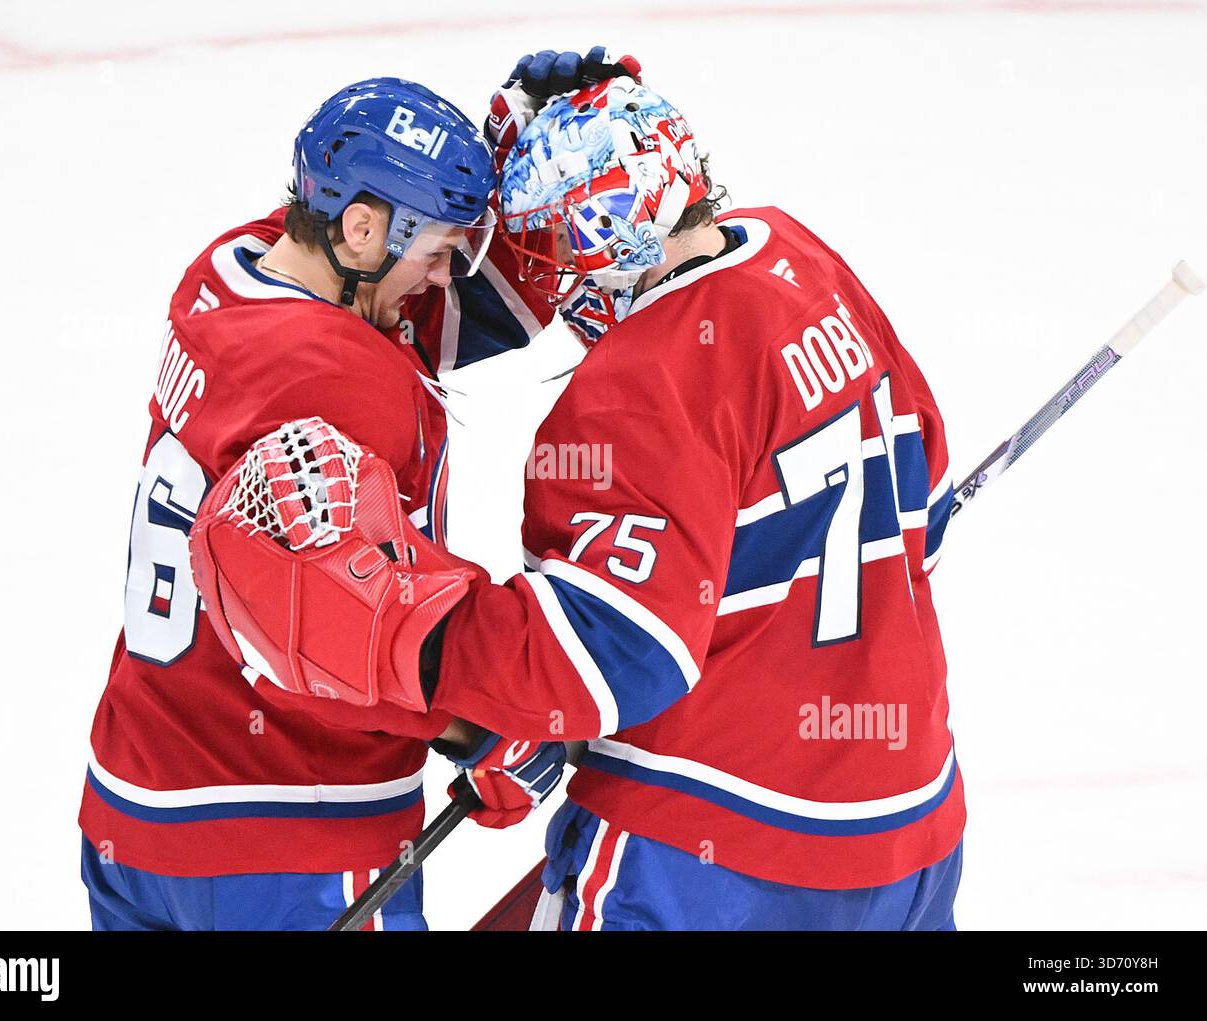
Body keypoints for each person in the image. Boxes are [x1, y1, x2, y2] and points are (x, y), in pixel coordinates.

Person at [199, 65, 965, 930]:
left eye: (556, 248)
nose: (548, 281)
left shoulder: (634, 391)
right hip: (913, 838)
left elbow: (605, 658)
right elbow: (924, 509)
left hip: (705, 859)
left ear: (608, 242)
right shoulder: (798, 258)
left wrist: (434, 660)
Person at [78, 76, 569, 931]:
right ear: (362, 226)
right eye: (440, 248)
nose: (445, 275)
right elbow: (343, 624)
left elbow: (432, 307)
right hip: (286, 839)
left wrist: (513, 164)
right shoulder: (348, 383)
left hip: (135, 808)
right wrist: (486, 725)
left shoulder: (227, 271)